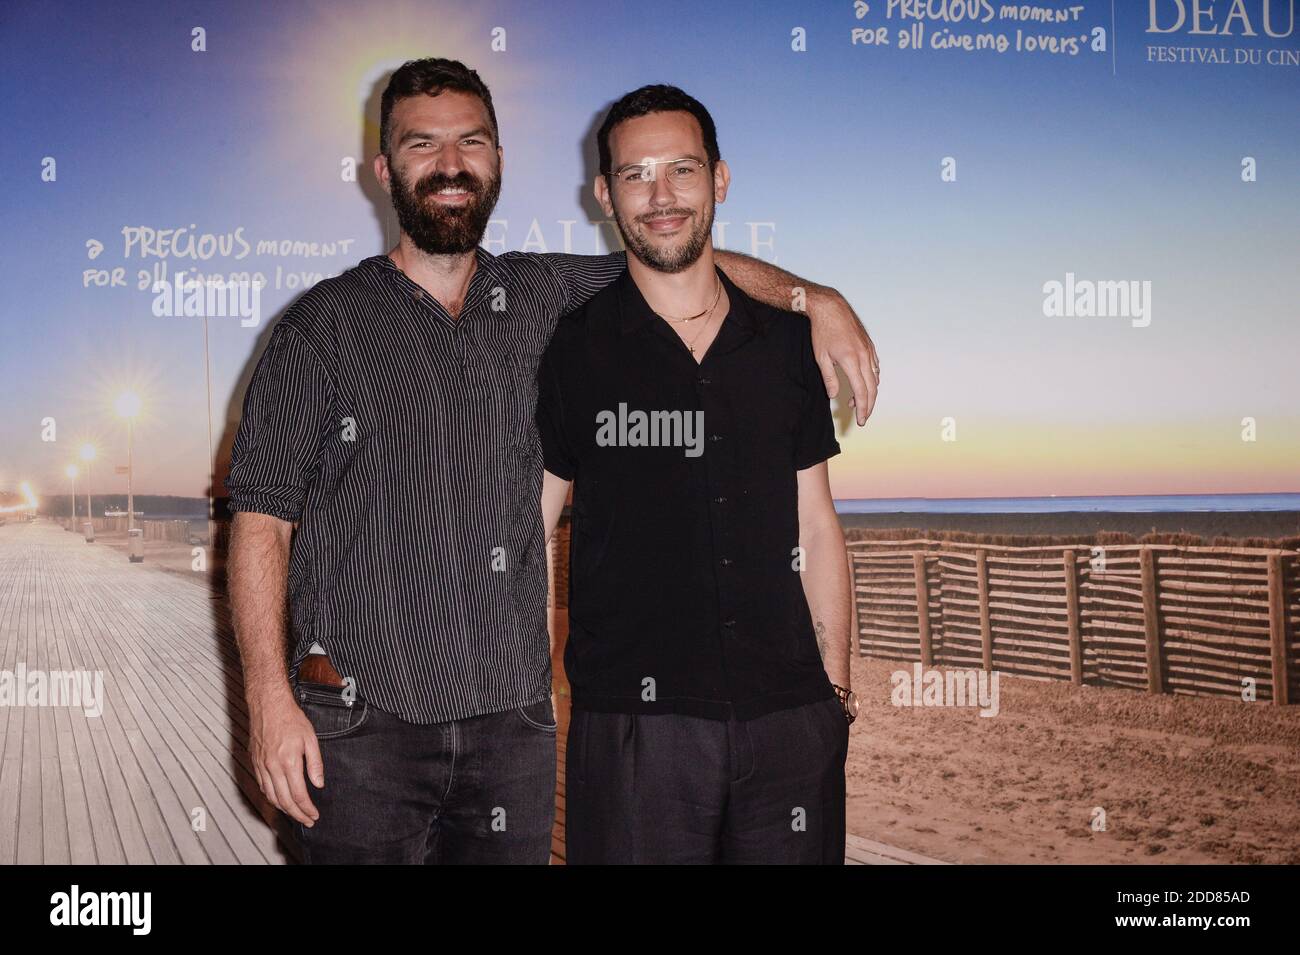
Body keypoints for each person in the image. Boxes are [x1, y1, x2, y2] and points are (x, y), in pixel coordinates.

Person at [227, 58, 877, 865]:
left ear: (498, 160)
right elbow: (261, 522)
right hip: (362, 732)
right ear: (384, 168)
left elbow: (671, 255)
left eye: (472, 140)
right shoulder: (317, 330)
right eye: (422, 144)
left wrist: (813, 298)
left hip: (513, 733)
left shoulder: (543, 296)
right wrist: (268, 697)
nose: (451, 163)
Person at [538, 85, 858, 864]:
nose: (661, 197)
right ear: (604, 195)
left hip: (791, 726)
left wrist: (836, 693)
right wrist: (546, 690)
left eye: (681, 170)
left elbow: (816, 524)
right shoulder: (574, 347)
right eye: (636, 175)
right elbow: (534, 525)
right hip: (633, 736)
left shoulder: (787, 347)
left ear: (719, 179)